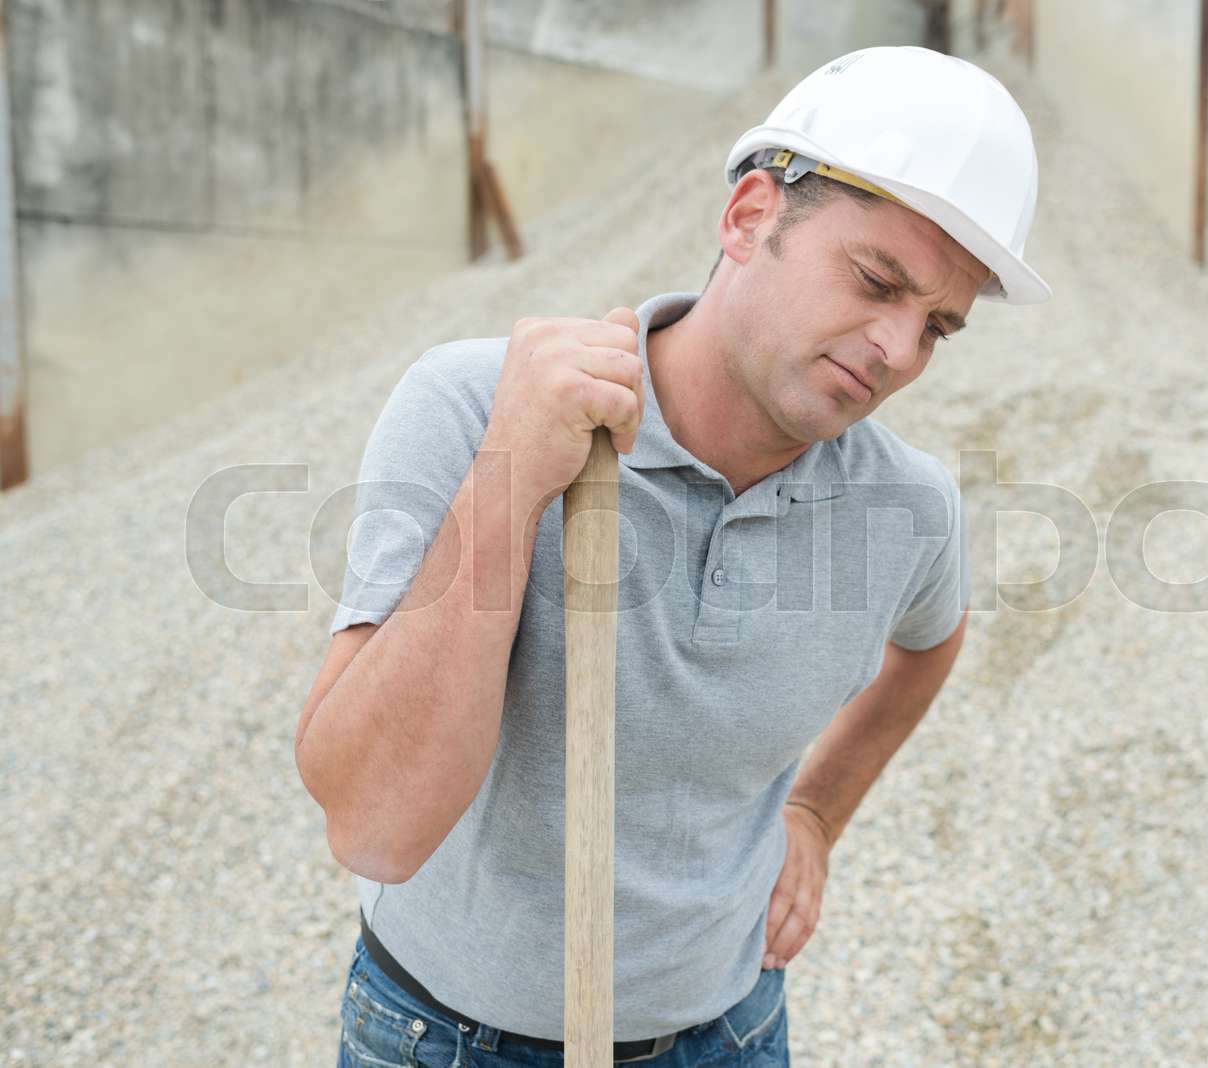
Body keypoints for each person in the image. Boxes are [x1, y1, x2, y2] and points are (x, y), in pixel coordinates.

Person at [295, 44, 1049, 1067]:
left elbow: (931, 641)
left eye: (938, 328)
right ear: (747, 218)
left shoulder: (906, 509)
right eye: (877, 281)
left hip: (732, 1032)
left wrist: (817, 814)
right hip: (446, 1037)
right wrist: (513, 478)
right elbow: (375, 829)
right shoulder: (474, 407)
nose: (897, 351)